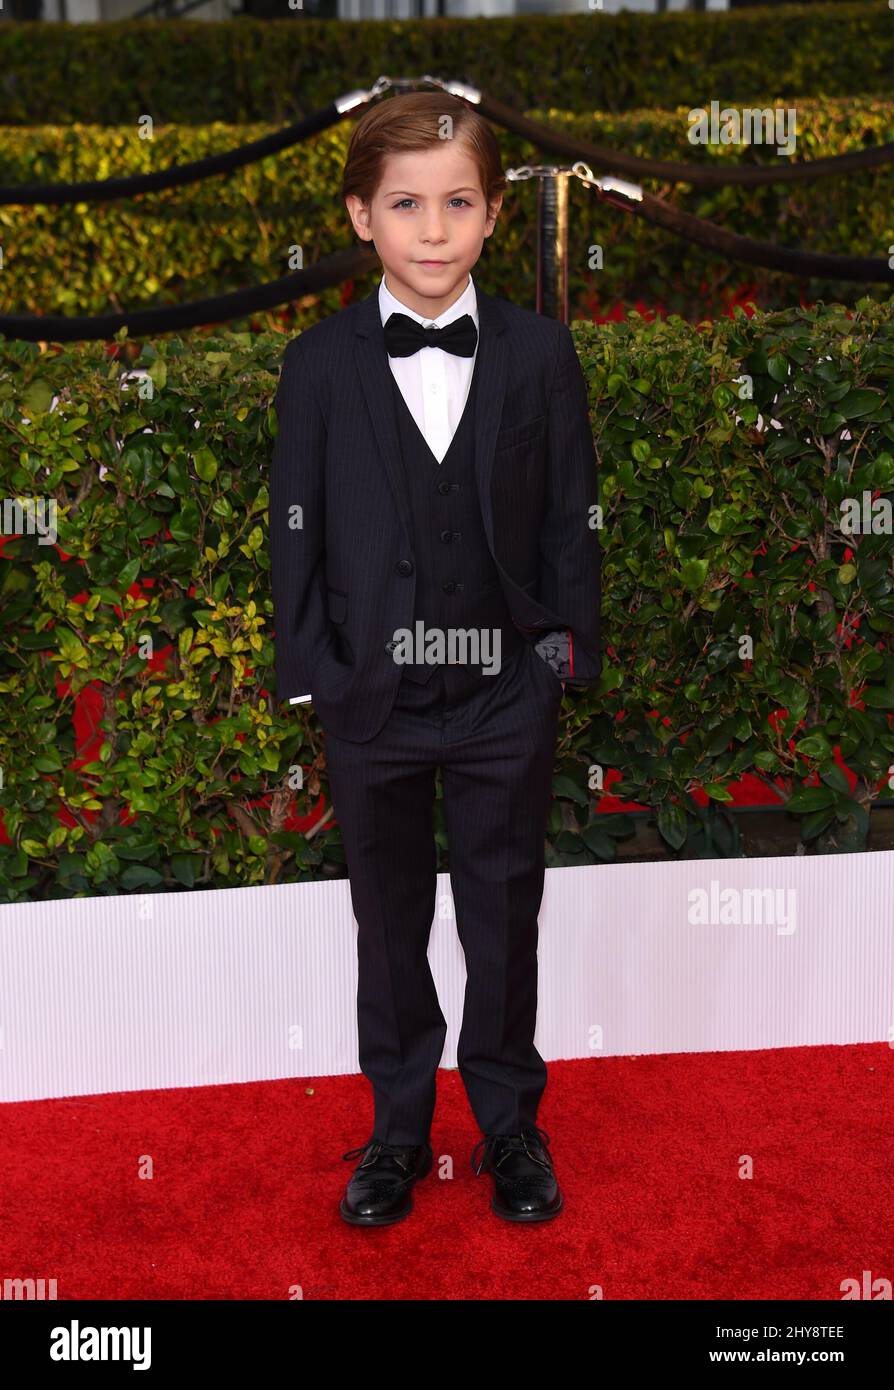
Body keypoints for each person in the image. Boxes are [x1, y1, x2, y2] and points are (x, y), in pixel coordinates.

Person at [268, 90, 601, 1226]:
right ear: (362, 216)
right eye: (406, 204)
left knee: (505, 917)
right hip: (375, 698)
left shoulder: (541, 354)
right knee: (389, 923)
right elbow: (295, 524)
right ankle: (398, 1134)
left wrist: (562, 656)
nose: (432, 229)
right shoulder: (316, 367)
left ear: (496, 214)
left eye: (458, 203)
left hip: (508, 690)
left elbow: (571, 517)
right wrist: (314, 667)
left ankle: (510, 1126)